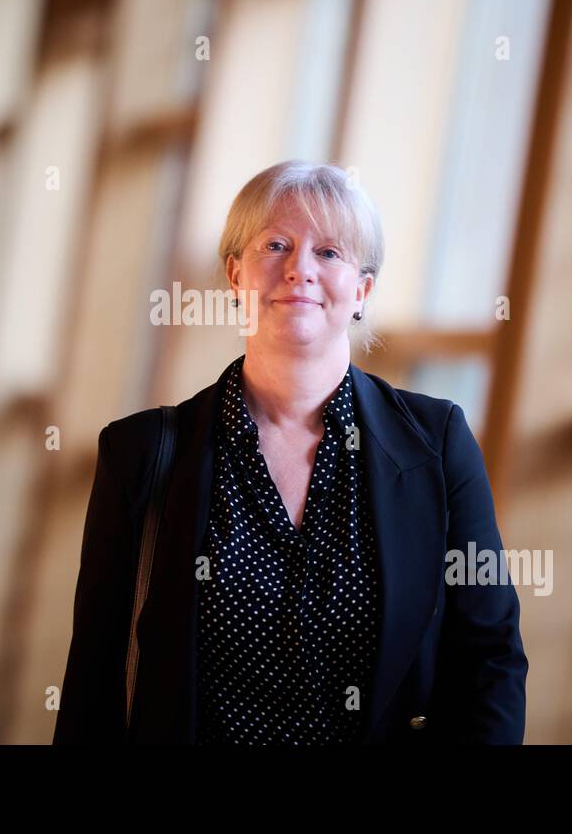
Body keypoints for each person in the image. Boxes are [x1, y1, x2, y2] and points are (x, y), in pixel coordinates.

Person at [54, 160, 527, 744]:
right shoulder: (141, 451)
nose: (300, 269)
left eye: (329, 253)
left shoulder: (439, 442)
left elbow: (491, 660)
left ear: (362, 290)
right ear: (235, 275)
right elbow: (94, 679)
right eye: (276, 245)